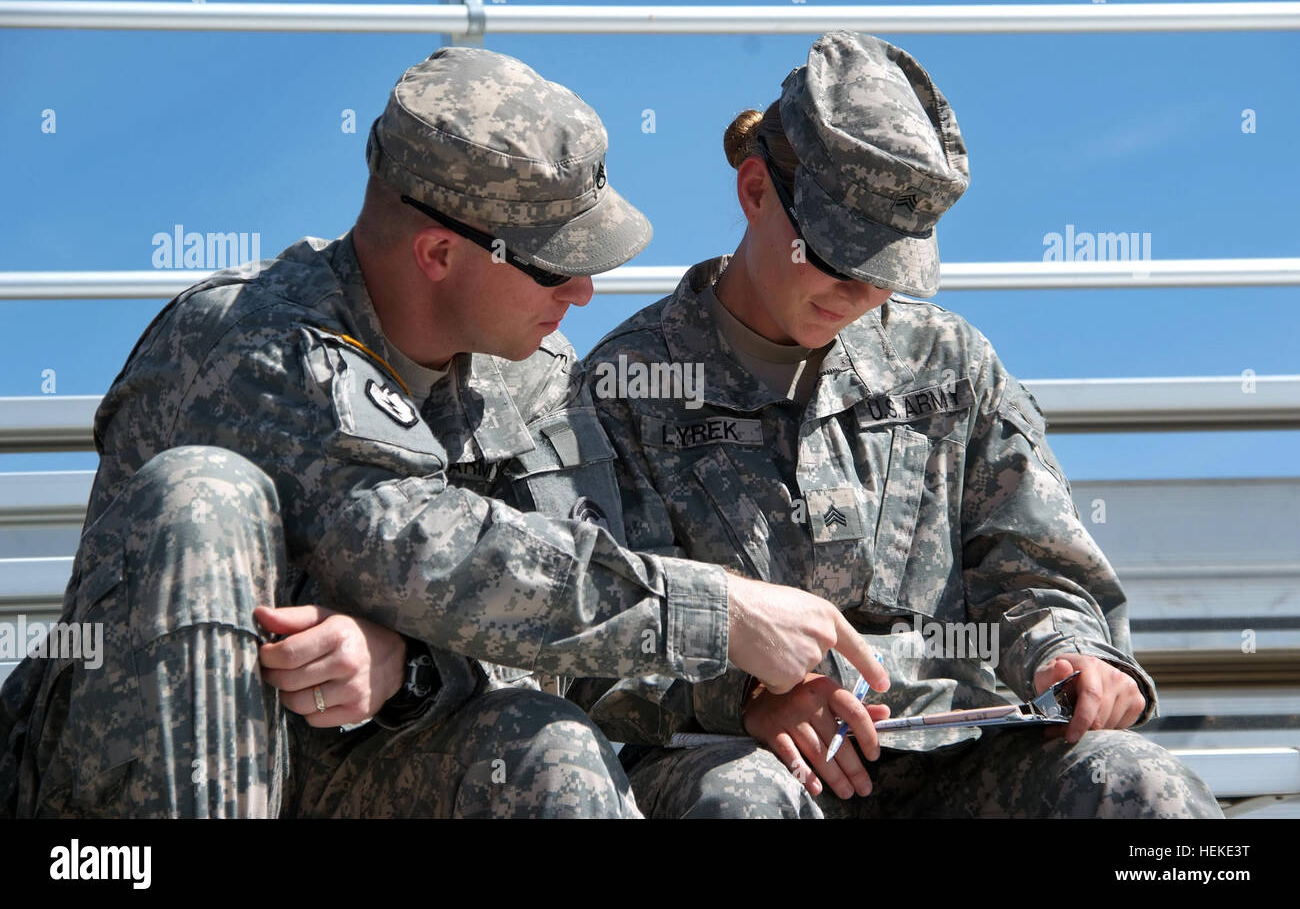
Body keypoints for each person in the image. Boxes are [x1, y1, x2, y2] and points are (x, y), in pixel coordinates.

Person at [0, 46, 886, 818]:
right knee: (205, 494)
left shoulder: (538, 383)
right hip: (119, 786)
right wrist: (713, 608)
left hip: (343, 771)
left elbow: (568, 646)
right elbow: (421, 549)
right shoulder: (248, 341)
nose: (583, 295)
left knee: (548, 746)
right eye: (554, 267)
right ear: (439, 254)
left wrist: (410, 668)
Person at [568, 31, 1222, 818]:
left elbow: (1033, 567)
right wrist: (743, 695)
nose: (858, 293)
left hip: (960, 757)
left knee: (1143, 788)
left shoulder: (950, 364)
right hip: (753, 761)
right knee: (739, 804)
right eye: (840, 260)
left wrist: (1066, 652)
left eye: (887, 273)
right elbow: (587, 634)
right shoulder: (624, 386)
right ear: (754, 192)